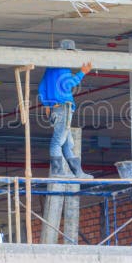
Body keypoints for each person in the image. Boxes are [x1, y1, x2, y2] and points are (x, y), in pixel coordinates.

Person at [38, 39, 94, 179]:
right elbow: (68, 84)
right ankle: (57, 171)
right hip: (64, 108)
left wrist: (46, 104)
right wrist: (82, 72)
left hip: (55, 109)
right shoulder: (63, 68)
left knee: (67, 143)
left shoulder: (49, 68)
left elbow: (41, 88)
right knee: (58, 141)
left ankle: (78, 173)